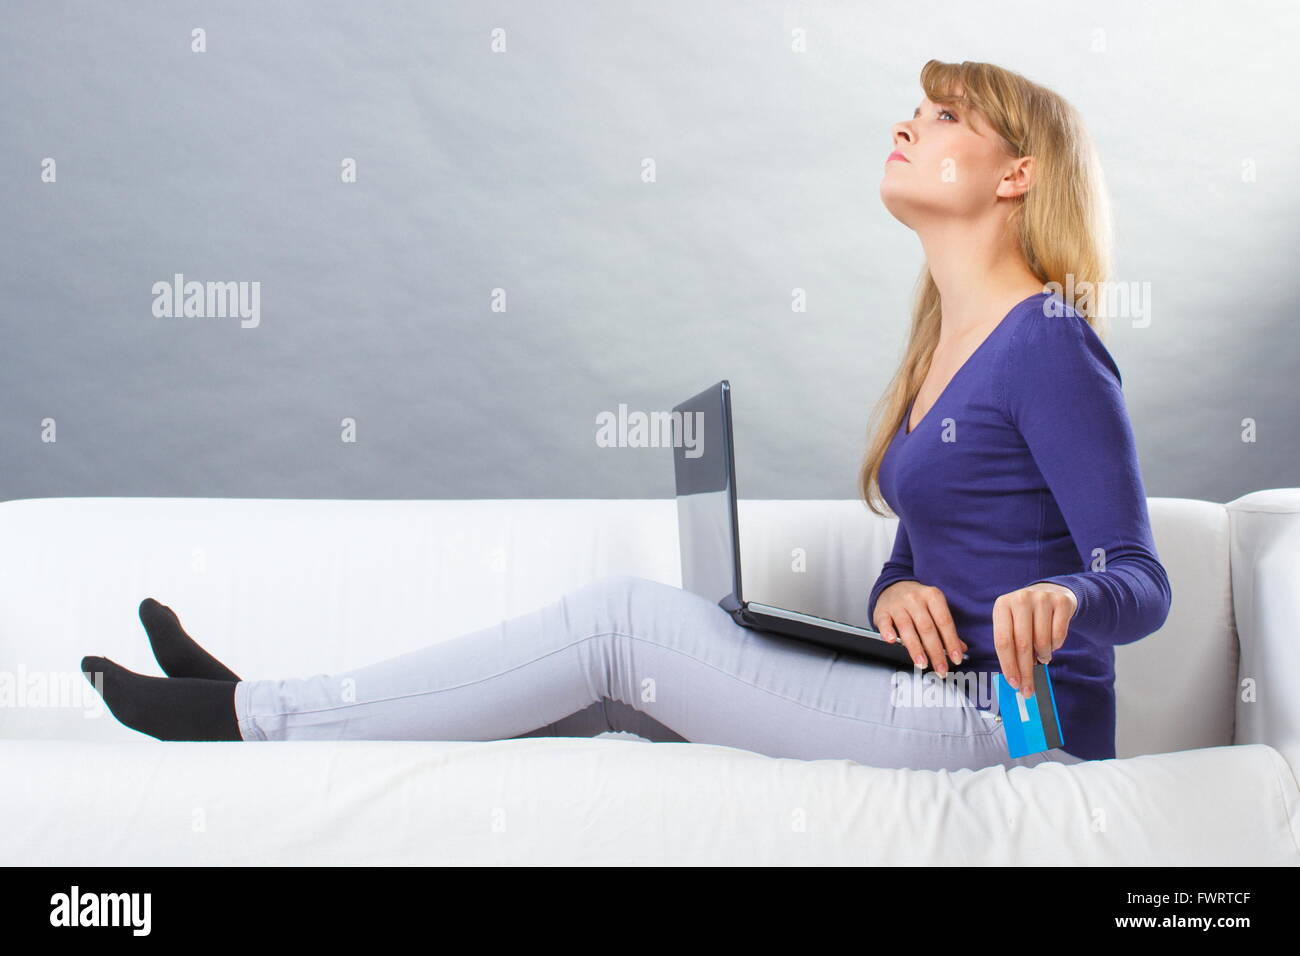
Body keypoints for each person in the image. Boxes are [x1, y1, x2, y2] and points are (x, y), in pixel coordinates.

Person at [80, 59, 1170, 771]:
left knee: (619, 626)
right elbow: (916, 557)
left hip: (1018, 729)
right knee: (617, 691)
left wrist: (1062, 596)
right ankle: (267, 714)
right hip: (938, 693)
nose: (907, 120)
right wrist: (899, 596)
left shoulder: (1050, 342)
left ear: (1015, 173)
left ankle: (251, 717)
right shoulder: (942, 345)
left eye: (942, 115)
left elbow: (1138, 581)